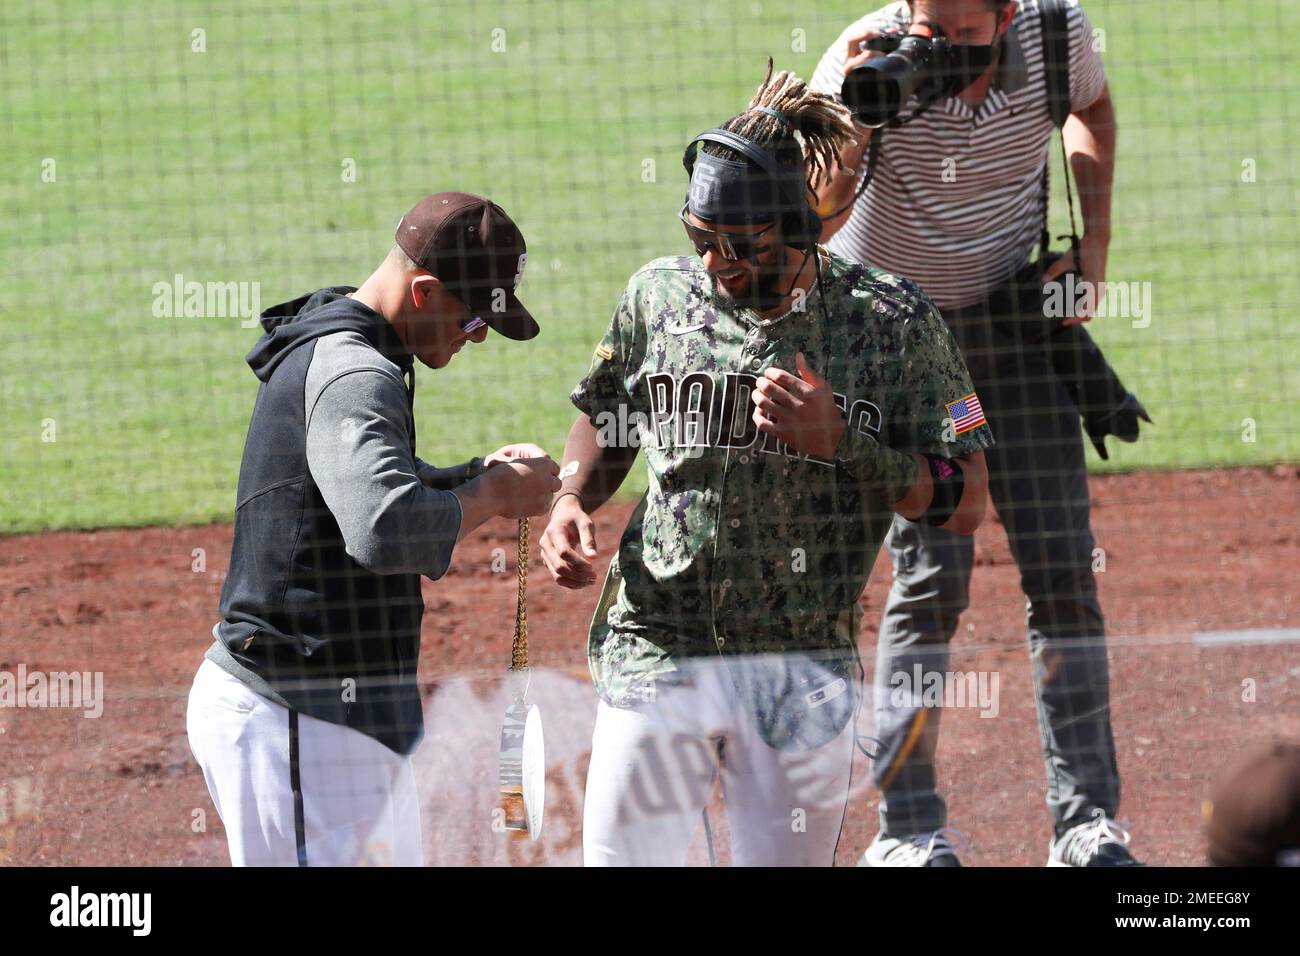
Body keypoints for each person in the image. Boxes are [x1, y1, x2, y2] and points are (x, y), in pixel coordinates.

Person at [538, 61, 992, 866]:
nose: (716, 264)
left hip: (798, 667)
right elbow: (605, 417)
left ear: (801, 230)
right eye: (699, 240)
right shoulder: (656, 298)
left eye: (740, 247)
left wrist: (843, 444)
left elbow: (964, 498)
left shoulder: (897, 323)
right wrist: (572, 499)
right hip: (657, 644)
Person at [810, 0, 1139, 865]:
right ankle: (909, 833)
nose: (943, 50)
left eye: (964, 35)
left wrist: (1095, 245)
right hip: (904, 353)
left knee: (1066, 573)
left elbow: (1092, 111)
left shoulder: (1057, 34)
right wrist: (850, 125)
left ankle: (1087, 824)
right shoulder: (866, 55)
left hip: (1015, 331)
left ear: (1008, 12)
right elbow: (812, 226)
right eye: (932, 27)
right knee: (932, 584)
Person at [186, 193, 561, 866]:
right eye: (474, 316)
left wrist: (477, 475)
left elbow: (373, 481)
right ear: (423, 291)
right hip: (295, 717)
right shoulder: (357, 369)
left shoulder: (358, 347)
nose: (477, 335)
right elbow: (384, 528)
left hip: (330, 716)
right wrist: (494, 493)